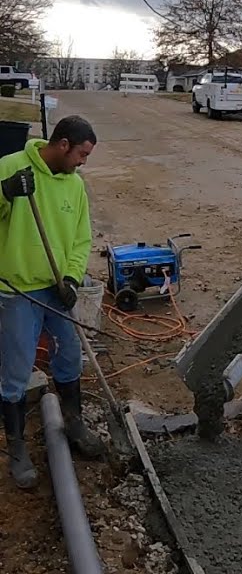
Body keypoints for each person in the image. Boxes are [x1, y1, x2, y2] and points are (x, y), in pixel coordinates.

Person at [0, 115, 106, 489]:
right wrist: (5, 192)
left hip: (57, 289)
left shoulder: (74, 185)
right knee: (15, 371)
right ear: (62, 145)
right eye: (81, 154)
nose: (83, 162)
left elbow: (81, 239)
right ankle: (16, 448)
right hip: (17, 290)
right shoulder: (11, 167)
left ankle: (73, 423)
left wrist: (73, 278)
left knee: (68, 355)